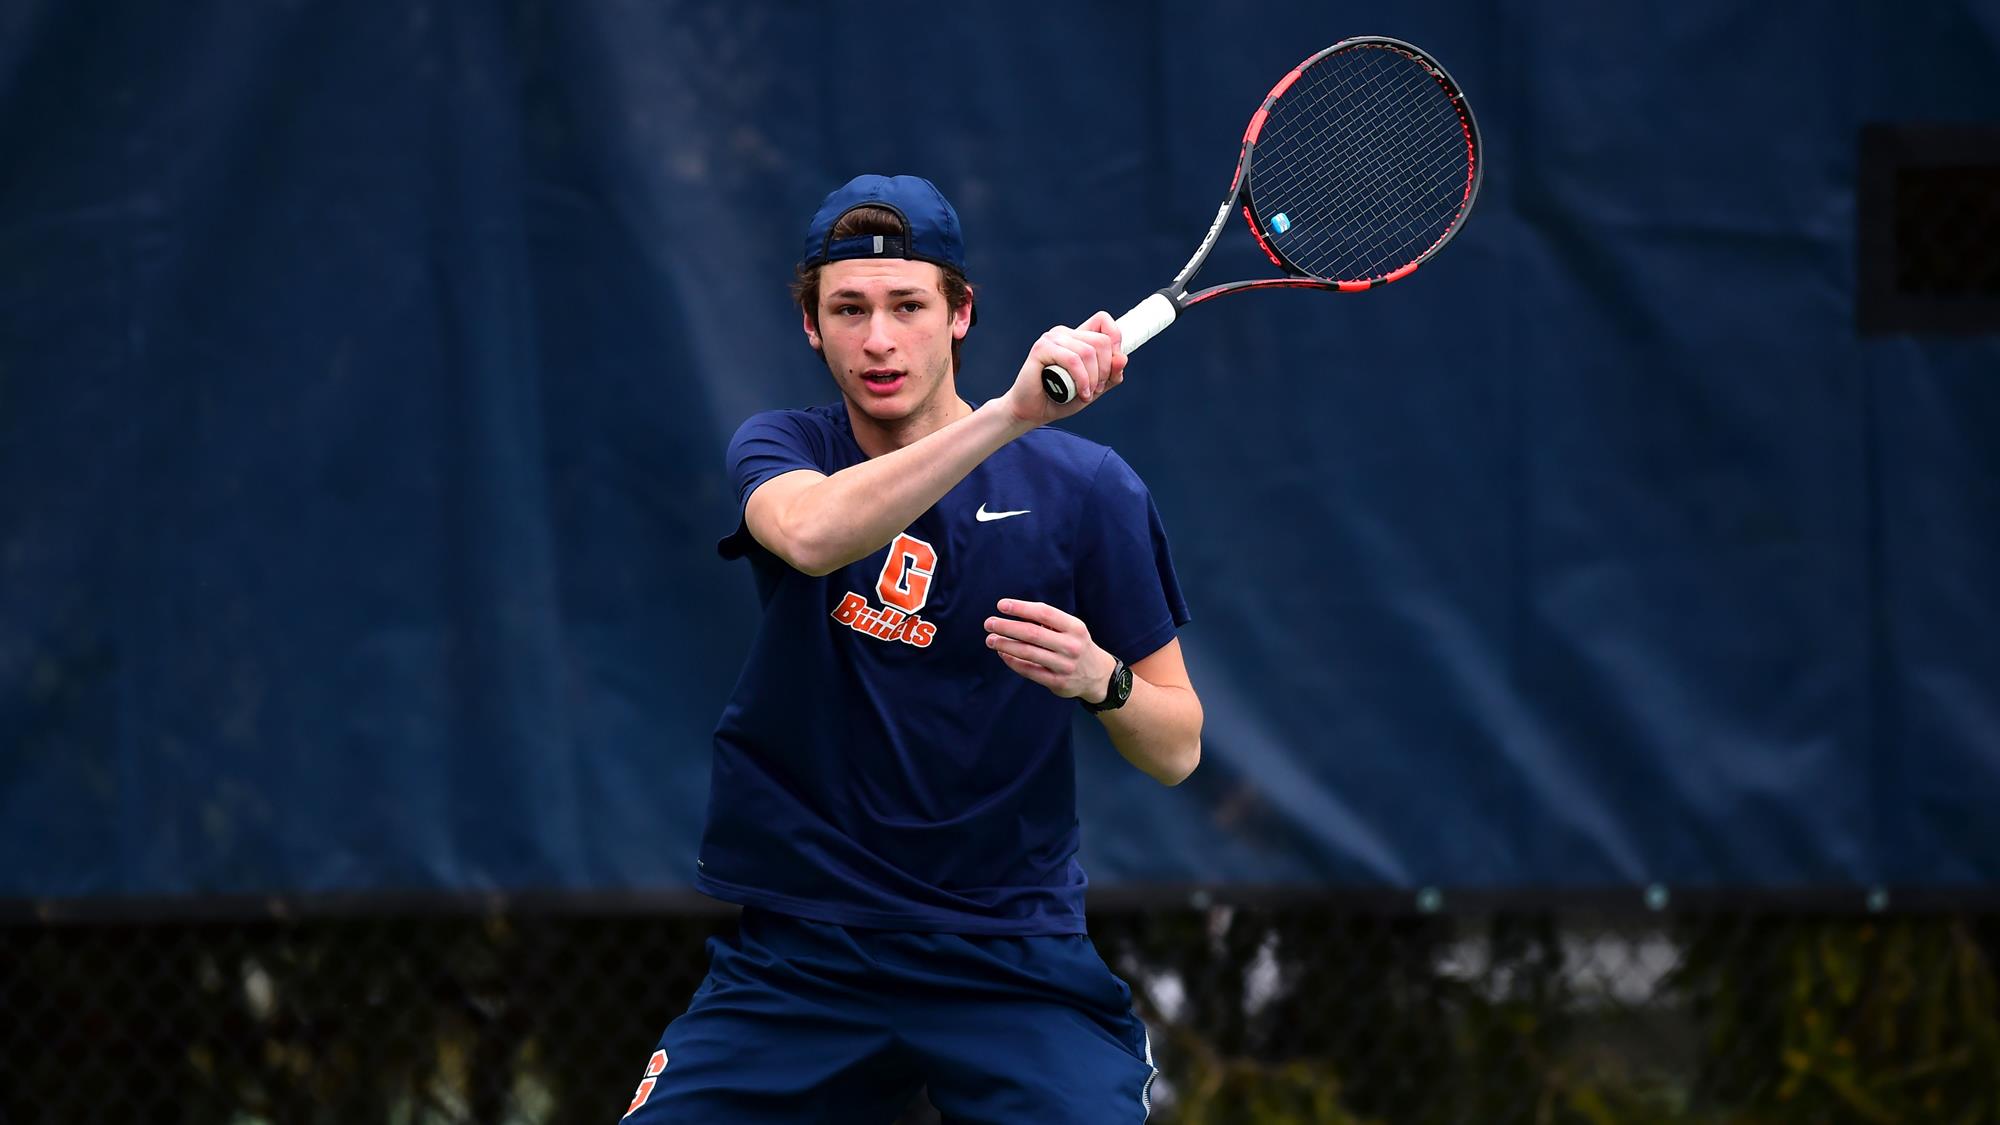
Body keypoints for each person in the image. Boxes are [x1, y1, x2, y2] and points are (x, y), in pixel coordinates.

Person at [620, 174, 1203, 1124]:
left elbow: (1178, 746)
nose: (878, 339)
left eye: (907, 306)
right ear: (811, 325)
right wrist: (1009, 414)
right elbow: (811, 536)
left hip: (1010, 957)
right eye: (847, 309)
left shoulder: (1091, 489)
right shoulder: (781, 447)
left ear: (960, 313)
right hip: (802, 958)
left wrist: (1103, 680)